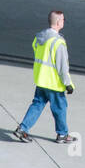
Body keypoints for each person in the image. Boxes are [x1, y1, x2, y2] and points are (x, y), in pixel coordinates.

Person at [12, 10, 76, 144]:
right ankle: (62, 134)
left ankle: (22, 128)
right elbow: (62, 66)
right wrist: (68, 84)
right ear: (58, 22)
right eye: (63, 20)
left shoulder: (39, 38)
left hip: (41, 80)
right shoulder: (58, 42)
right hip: (54, 83)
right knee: (60, 108)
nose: (64, 22)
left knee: (37, 105)